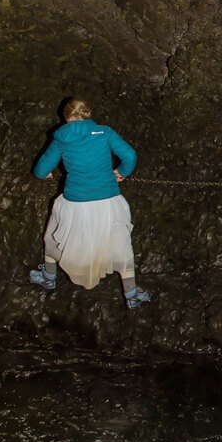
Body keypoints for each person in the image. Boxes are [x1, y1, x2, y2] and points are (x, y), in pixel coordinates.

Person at [29, 97, 152, 309]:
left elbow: (39, 170)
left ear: (67, 117)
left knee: (55, 234)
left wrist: (46, 174)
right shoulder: (104, 132)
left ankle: (48, 277)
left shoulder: (61, 138)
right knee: (120, 244)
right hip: (109, 202)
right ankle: (131, 294)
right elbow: (130, 156)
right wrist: (121, 173)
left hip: (75, 203)